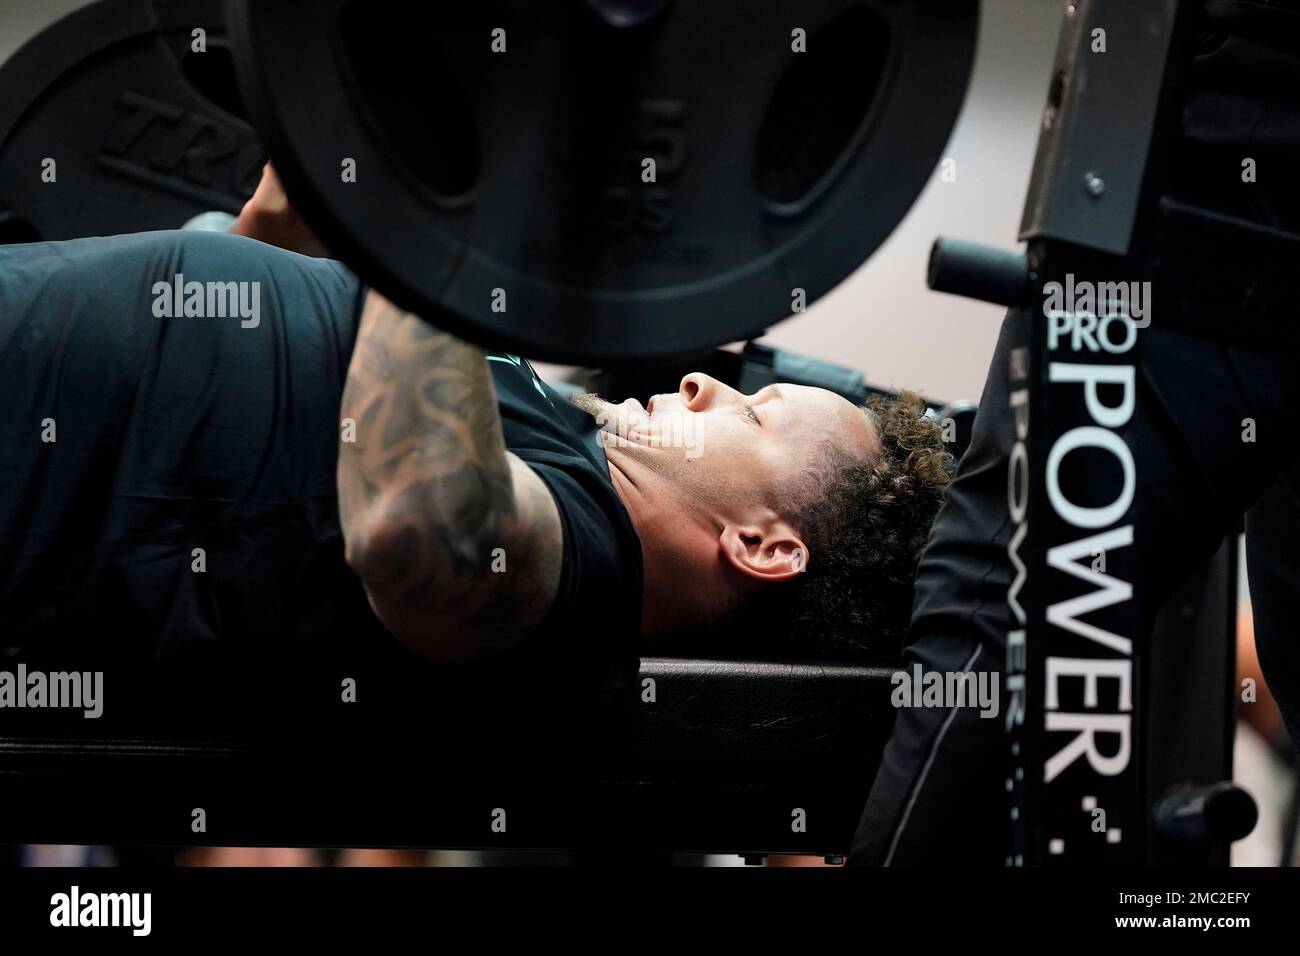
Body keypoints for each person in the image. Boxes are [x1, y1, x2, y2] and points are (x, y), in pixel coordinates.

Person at [0, 166, 953, 756]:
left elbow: (424, 527)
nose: (708, 386)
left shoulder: (578, 568)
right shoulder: (552, 427)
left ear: (763, 546)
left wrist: (442, 227)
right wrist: (292, 231)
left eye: (755, 413)